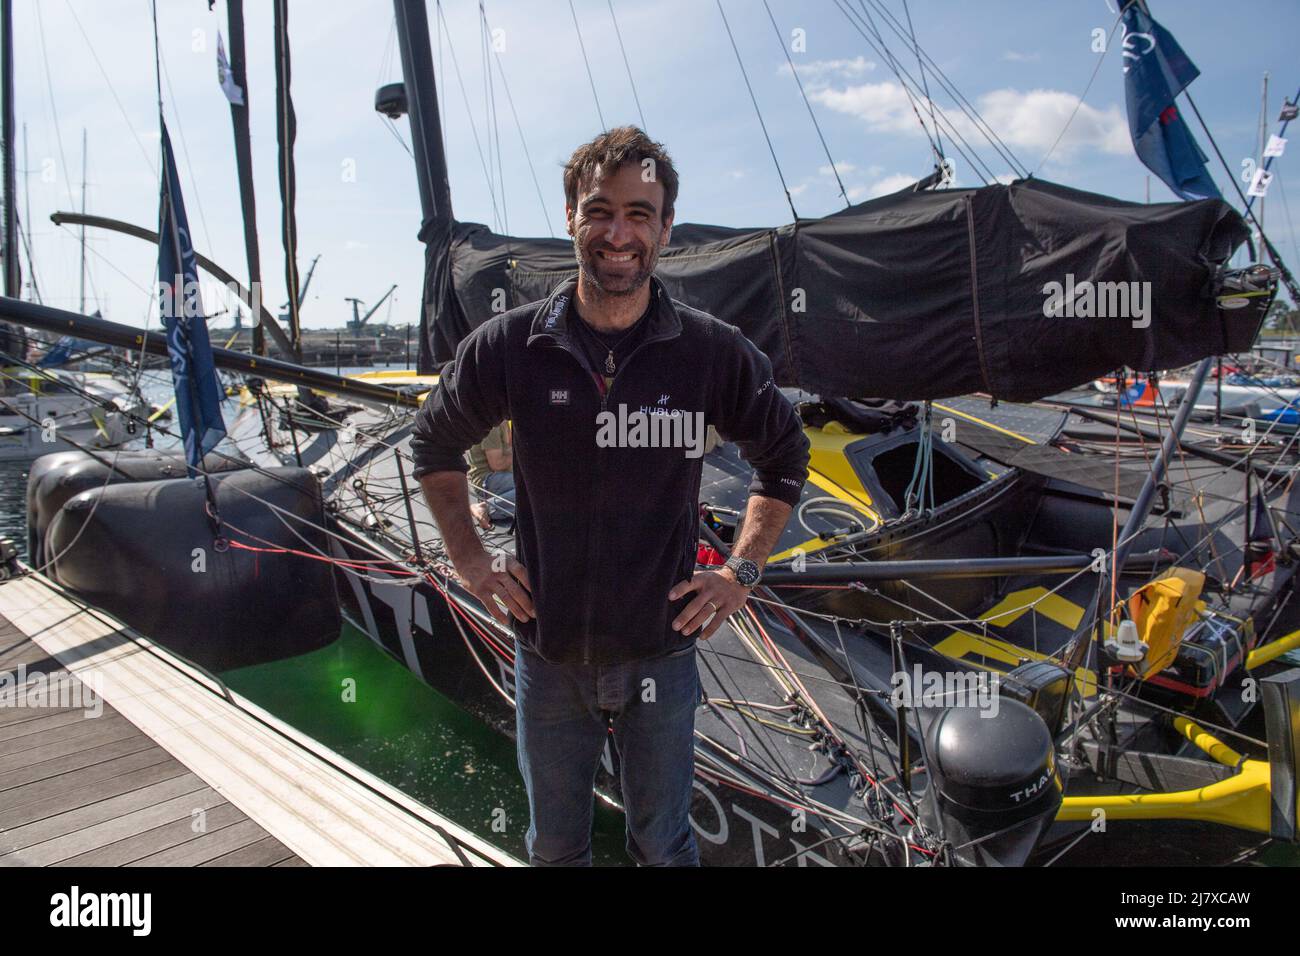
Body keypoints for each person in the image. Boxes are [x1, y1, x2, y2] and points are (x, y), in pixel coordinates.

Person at [410, 126, 810, 866]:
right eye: (599, 210)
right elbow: (432, 444)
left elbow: (784, 458)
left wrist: (741, 572)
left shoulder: (709, 352)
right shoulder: (509, 346)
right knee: (556, 846)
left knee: (663, 845)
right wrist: (469, 559)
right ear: (571, 218)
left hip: (662, 653)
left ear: (664, 228)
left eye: (639, 213)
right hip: (550, 655)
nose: (618, 233)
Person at [466, 421, 515, 528]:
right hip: (487, 479)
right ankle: (485, 508)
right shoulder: (493, 425)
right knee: (531, 491)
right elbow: (497, 464)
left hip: (504, 475)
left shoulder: (504, 421)